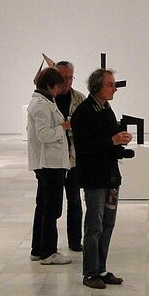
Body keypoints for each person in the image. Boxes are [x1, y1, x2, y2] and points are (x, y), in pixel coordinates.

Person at [71, 69, 134, 289]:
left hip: (111, 177)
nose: (114, 88)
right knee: (94, 225)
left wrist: (120, 143)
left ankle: (101, 268)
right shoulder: (83, 113)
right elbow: (84, 147)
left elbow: (108, 140)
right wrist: (112, 141)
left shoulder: (106, 109)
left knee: (108, 223)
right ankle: (90, 272)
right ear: (96, 87)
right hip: (95, 178)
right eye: (110, 84)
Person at [27, 67, 72, 265]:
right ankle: (48, 252)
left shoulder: (45, 102)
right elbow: (44, 135)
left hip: (50, 163)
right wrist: (63, 128)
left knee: (44, 206)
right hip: (49, 164)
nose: (59, 90)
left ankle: (38, 249)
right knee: (51, 209)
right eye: (57, 87)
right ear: (48, 86)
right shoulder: (41, 106)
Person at [54, 60, 86, 253]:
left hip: (73, 159)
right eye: (63, 78)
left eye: (70, 77)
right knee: (52, 204)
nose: (67, 82)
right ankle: (46, 245)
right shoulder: (48, 100)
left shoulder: (79, 99)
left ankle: (75, 241)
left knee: (75, 200)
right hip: (53, 160)